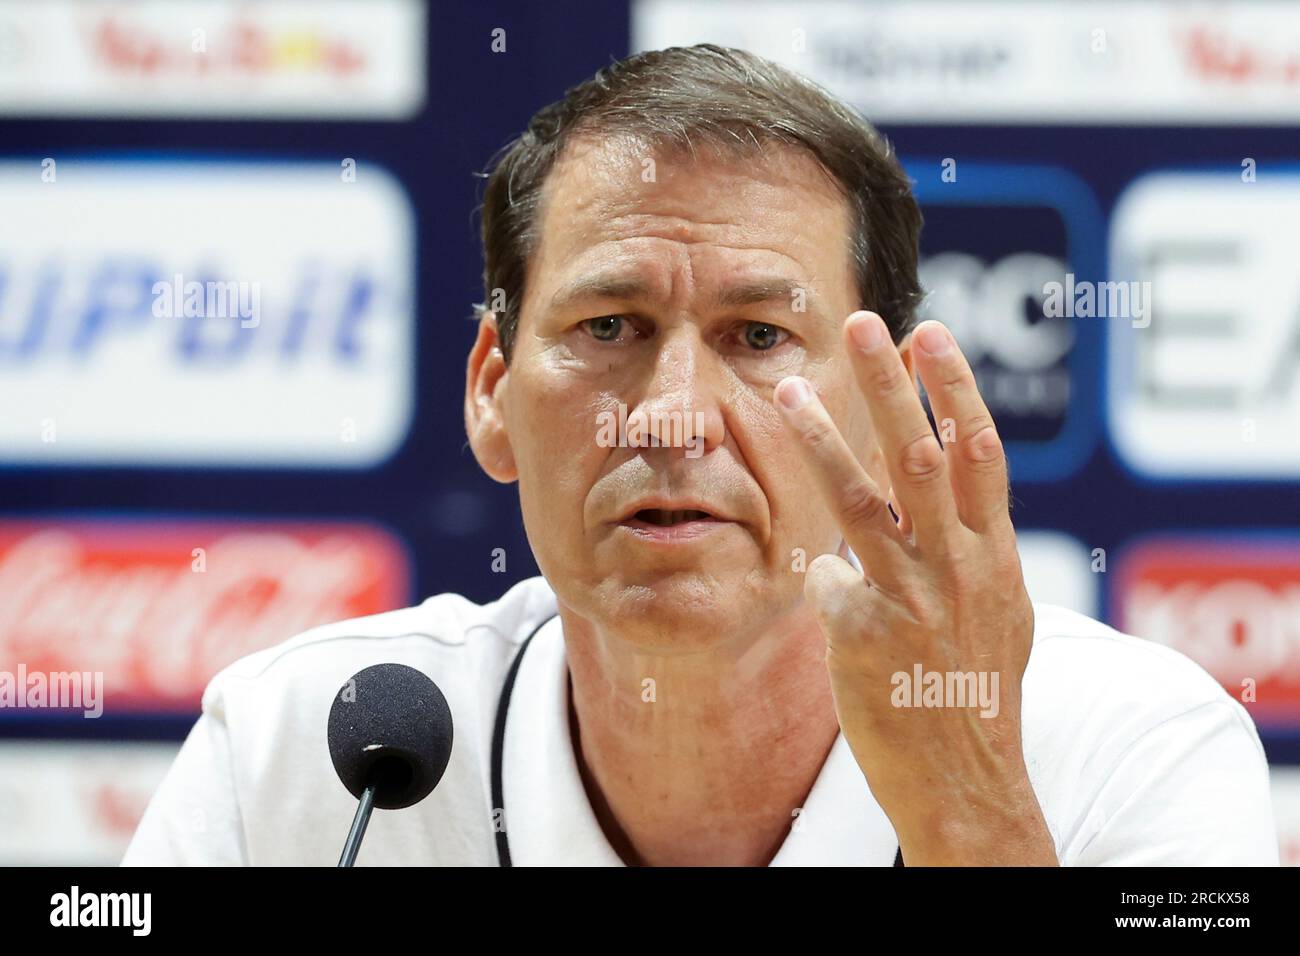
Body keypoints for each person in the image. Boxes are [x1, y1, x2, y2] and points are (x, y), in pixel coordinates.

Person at [123, 44, 1277, 866]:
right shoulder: (300, 748)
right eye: (609, 326)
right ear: (490, 389)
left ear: (886, 412)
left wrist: (969, 818)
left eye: (759, 337)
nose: (671, 415)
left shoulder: (1137, 748)